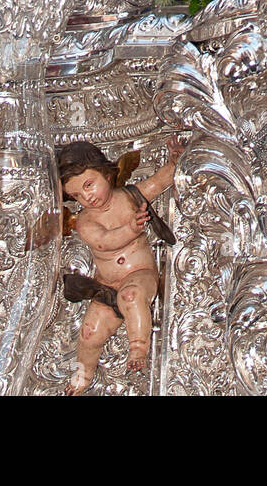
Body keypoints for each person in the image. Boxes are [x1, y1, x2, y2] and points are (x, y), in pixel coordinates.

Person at [57, 142, 177, 395]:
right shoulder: (86, 222)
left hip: (140, 274)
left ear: (107, 173)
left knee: (130, 297)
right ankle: (83, 373)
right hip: (106, 285)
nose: (86, 197)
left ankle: (138, 347)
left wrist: (175, 160)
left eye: (88, 185)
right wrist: (130, 230)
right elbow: (104, 241)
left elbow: (158, 182)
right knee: (89, 334)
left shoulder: (131, 196)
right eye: (77, 195)